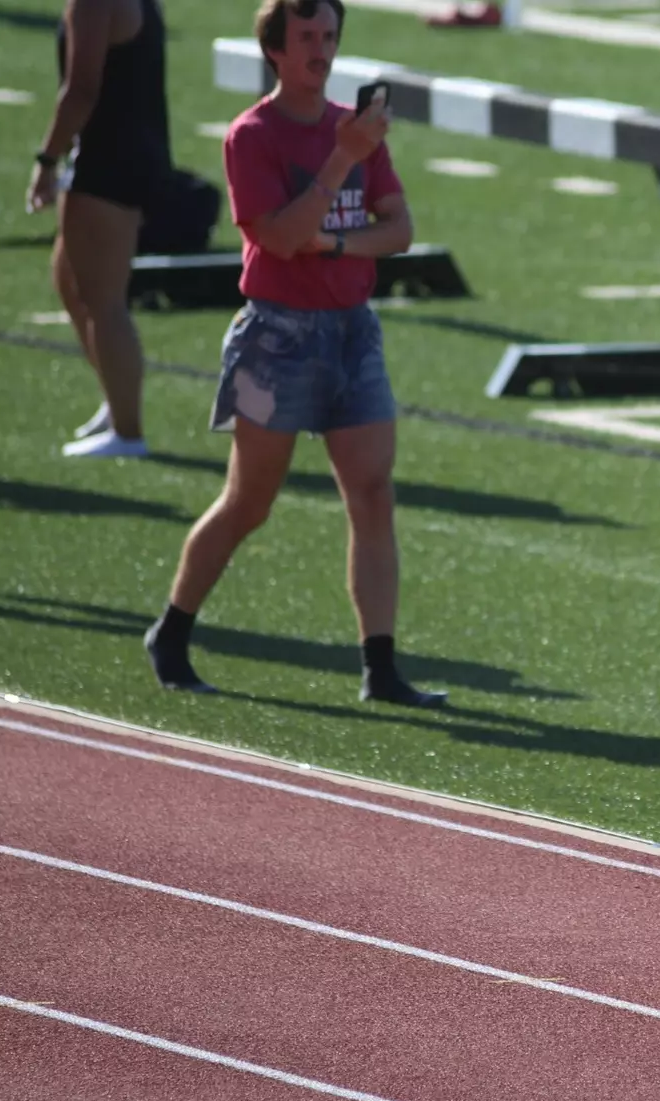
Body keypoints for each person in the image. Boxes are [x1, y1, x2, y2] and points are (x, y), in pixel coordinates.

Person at [141, 0, 444, 709]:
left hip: (352, 329)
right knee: (250, 502)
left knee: (372, 494)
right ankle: (172, 631)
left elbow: (398, 229)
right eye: (306, 37)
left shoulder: (360, 131)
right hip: (277, 337)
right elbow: (278, 238)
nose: (322, 48)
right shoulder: (254, 136)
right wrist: (344, 159)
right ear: (275, 49)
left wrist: (336, 242)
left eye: (330, 35)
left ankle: (380, 666)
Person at [28, 0, 172, 458]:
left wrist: (46, 160)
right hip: (132, 150)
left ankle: (128, 434)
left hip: (108, 159)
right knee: (70, 280)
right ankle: (116, 402)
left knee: (104, 300)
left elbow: (81, 89)